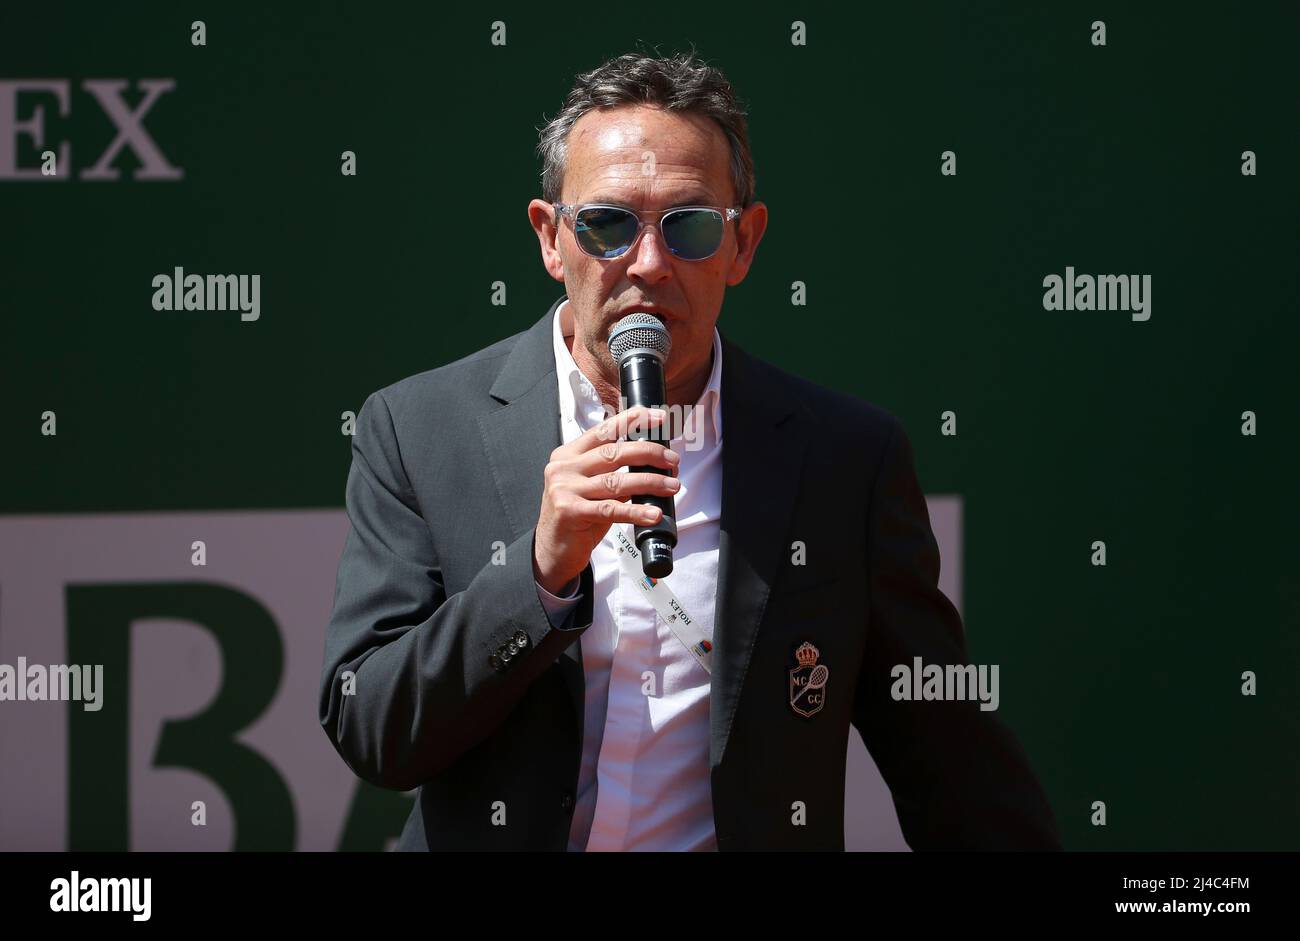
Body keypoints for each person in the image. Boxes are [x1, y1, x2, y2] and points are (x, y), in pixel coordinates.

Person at [318, 50, 1060, 851]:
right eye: (606, 224)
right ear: (549, 238)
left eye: (690, 226)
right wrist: (535, 575)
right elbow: (373, 729)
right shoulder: (419, 428)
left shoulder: (845, 460)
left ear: (743, 244)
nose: (647, 263)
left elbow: (952, 769)